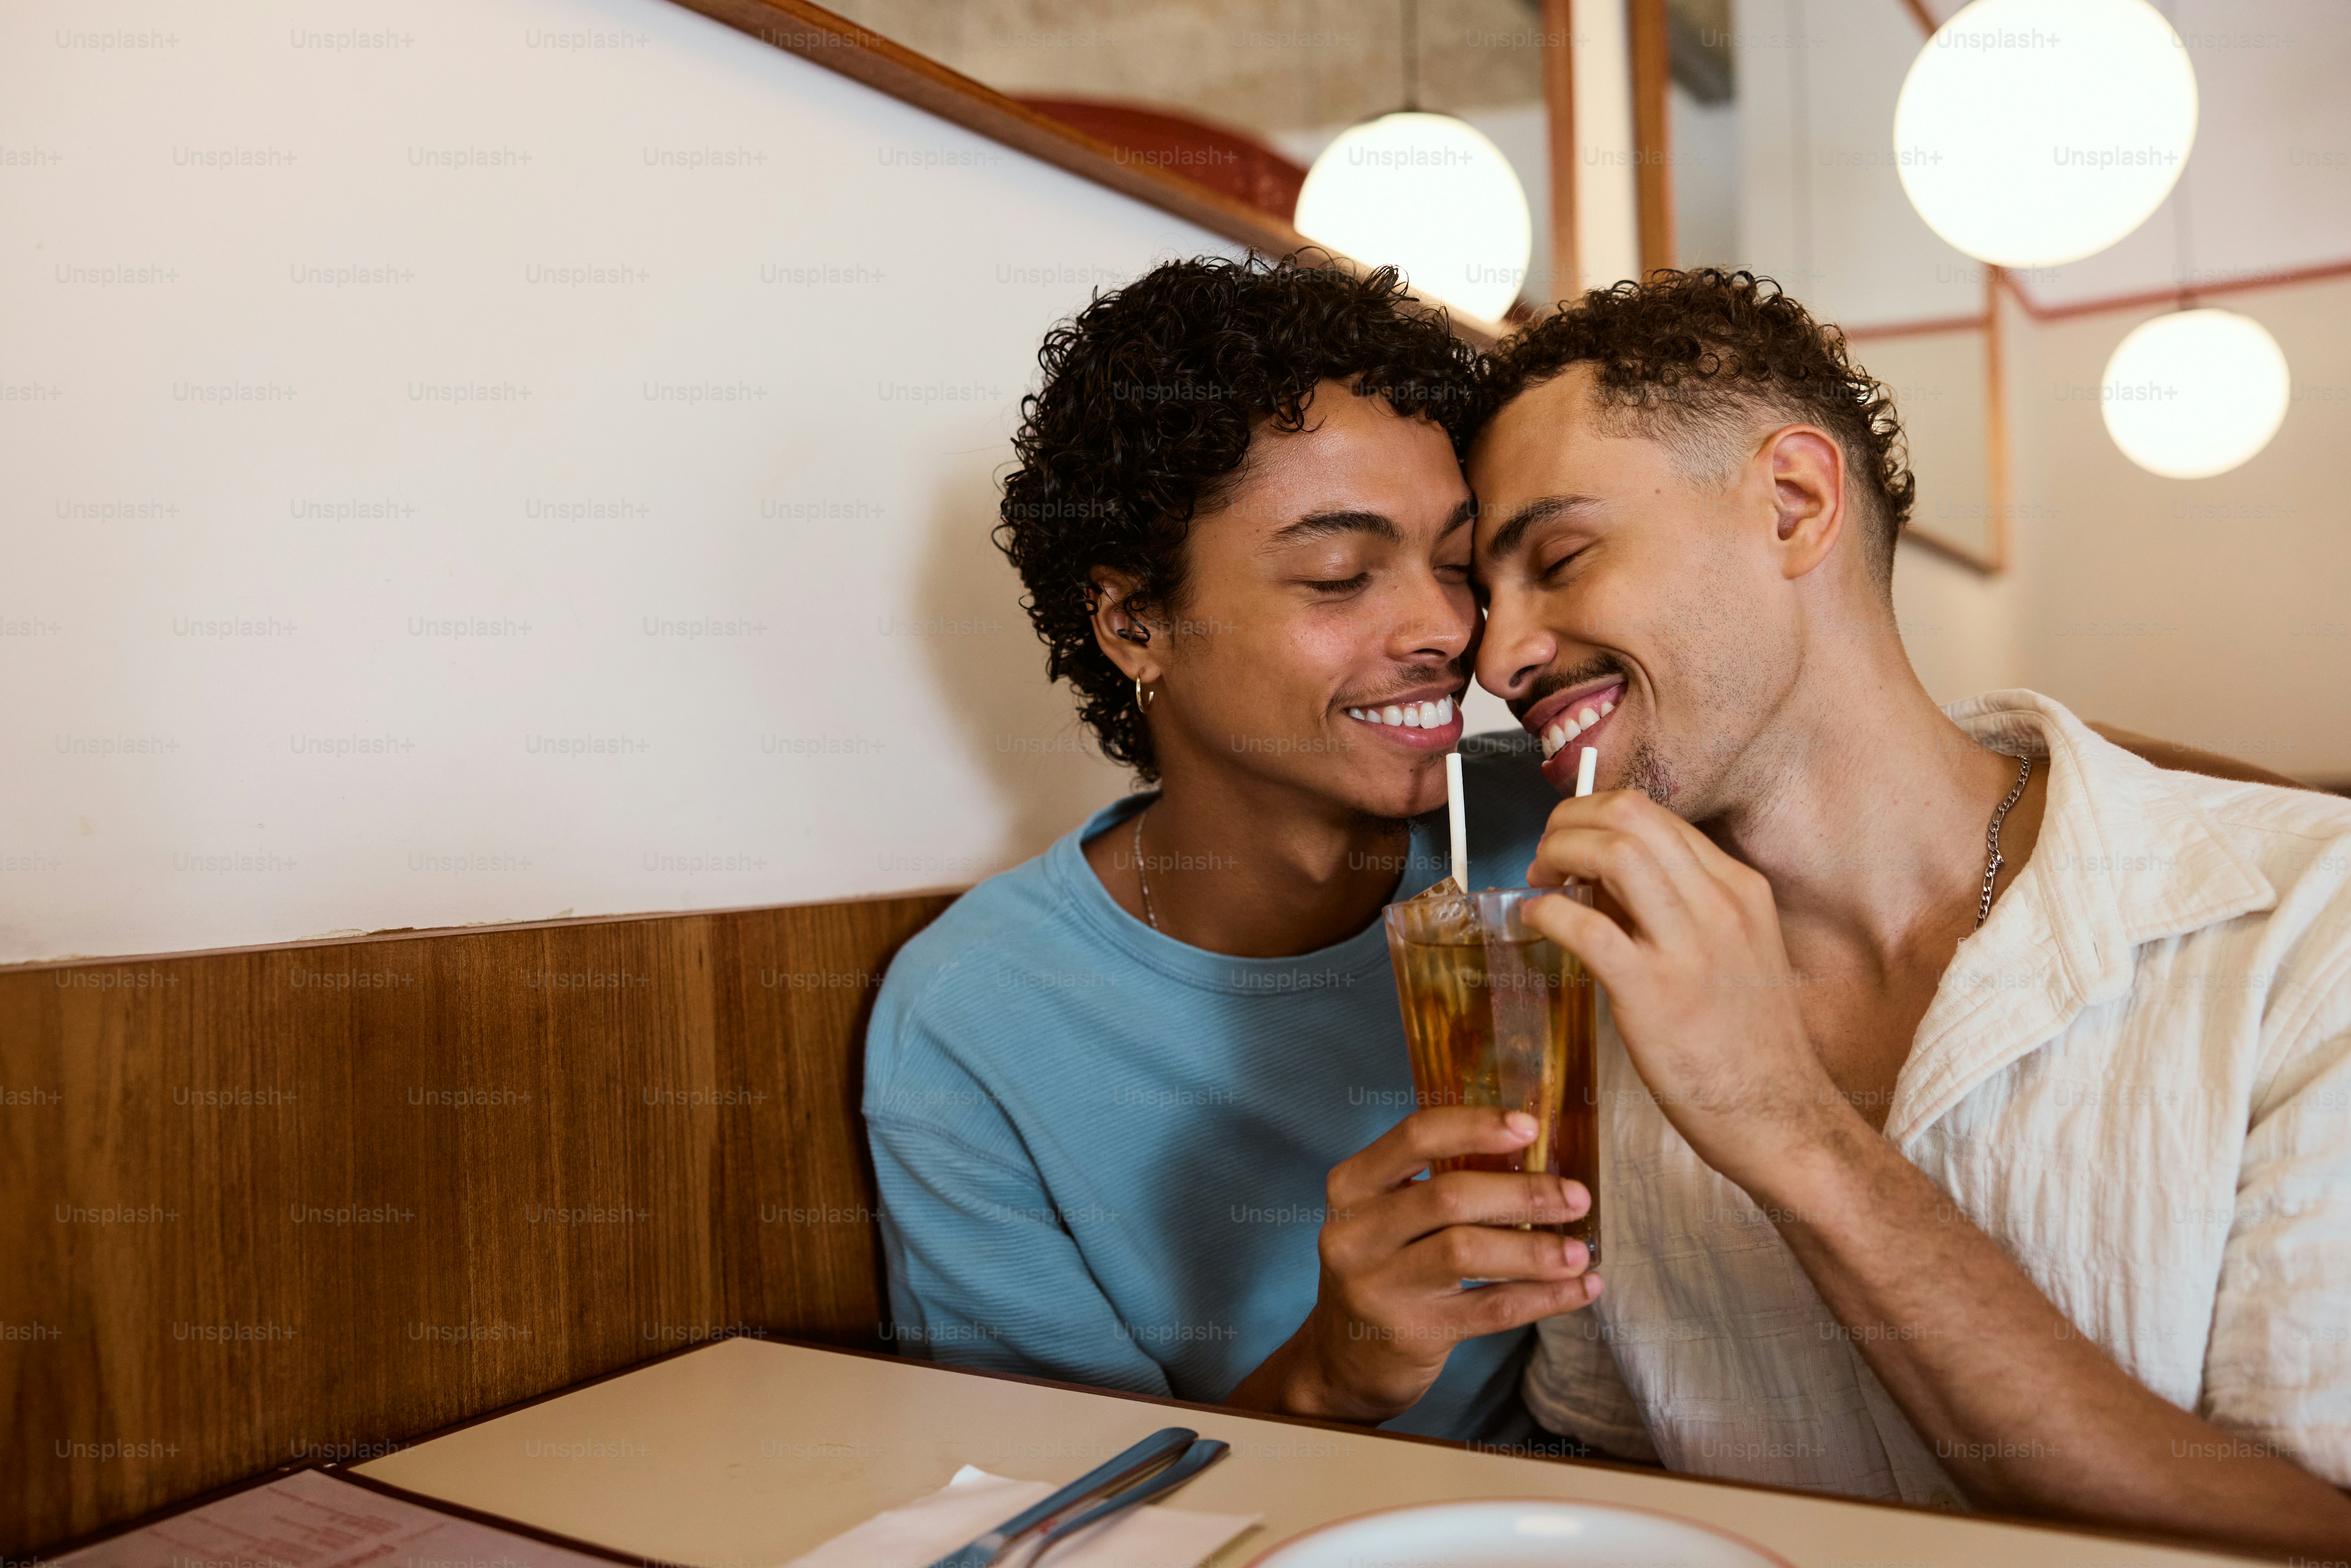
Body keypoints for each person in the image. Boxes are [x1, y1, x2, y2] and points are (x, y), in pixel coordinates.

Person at [1467, 268, 2351, 1554]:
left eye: (1558, 559)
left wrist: (1786, 1127)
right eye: (1483, 602)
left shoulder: (2302, 924)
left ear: (1794, 503)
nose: (1499, 659)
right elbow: (1609, 1465)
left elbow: (2314, 1540)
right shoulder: (1579, 999)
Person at [860, 255, 1596, 1445]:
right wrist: (1331, 1377)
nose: (1449, 629)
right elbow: (1067, 1502)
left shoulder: (1557, 833)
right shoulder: (975, 1021)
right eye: (1339, 575)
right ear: (1134, 622)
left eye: (1457, 565)